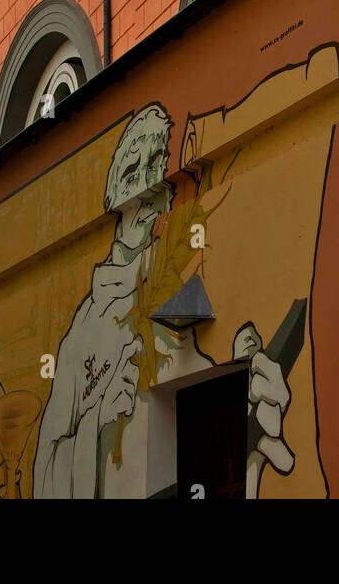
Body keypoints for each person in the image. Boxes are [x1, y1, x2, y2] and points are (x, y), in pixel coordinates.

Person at [35, 103, 293, 498]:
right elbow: (45, 474)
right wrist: (98, 422)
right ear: (110, 200)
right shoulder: (81, 334)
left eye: (157, 164)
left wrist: (247, 425)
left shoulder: (188, 270)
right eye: (131, 173)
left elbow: (198, 379)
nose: (147, 184)